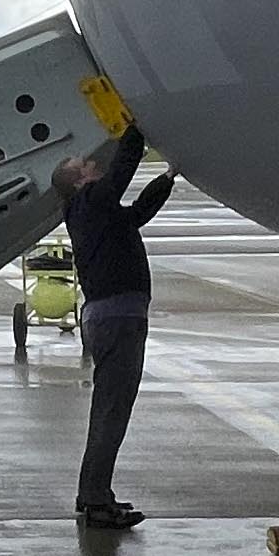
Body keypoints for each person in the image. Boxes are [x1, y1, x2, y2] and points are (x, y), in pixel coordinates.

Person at [53, 125, 174, 530]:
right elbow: (121, 171)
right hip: (117, 319)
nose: (91, 163)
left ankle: (96, 495)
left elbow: (136, 214)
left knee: (110, 409)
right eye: (83, 164)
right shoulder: (90, 201)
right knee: (111, 411)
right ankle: (94, 500)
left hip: (113, 317)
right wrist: (134, 128)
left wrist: (166, 180)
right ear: (80, 180)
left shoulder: (93, 210)